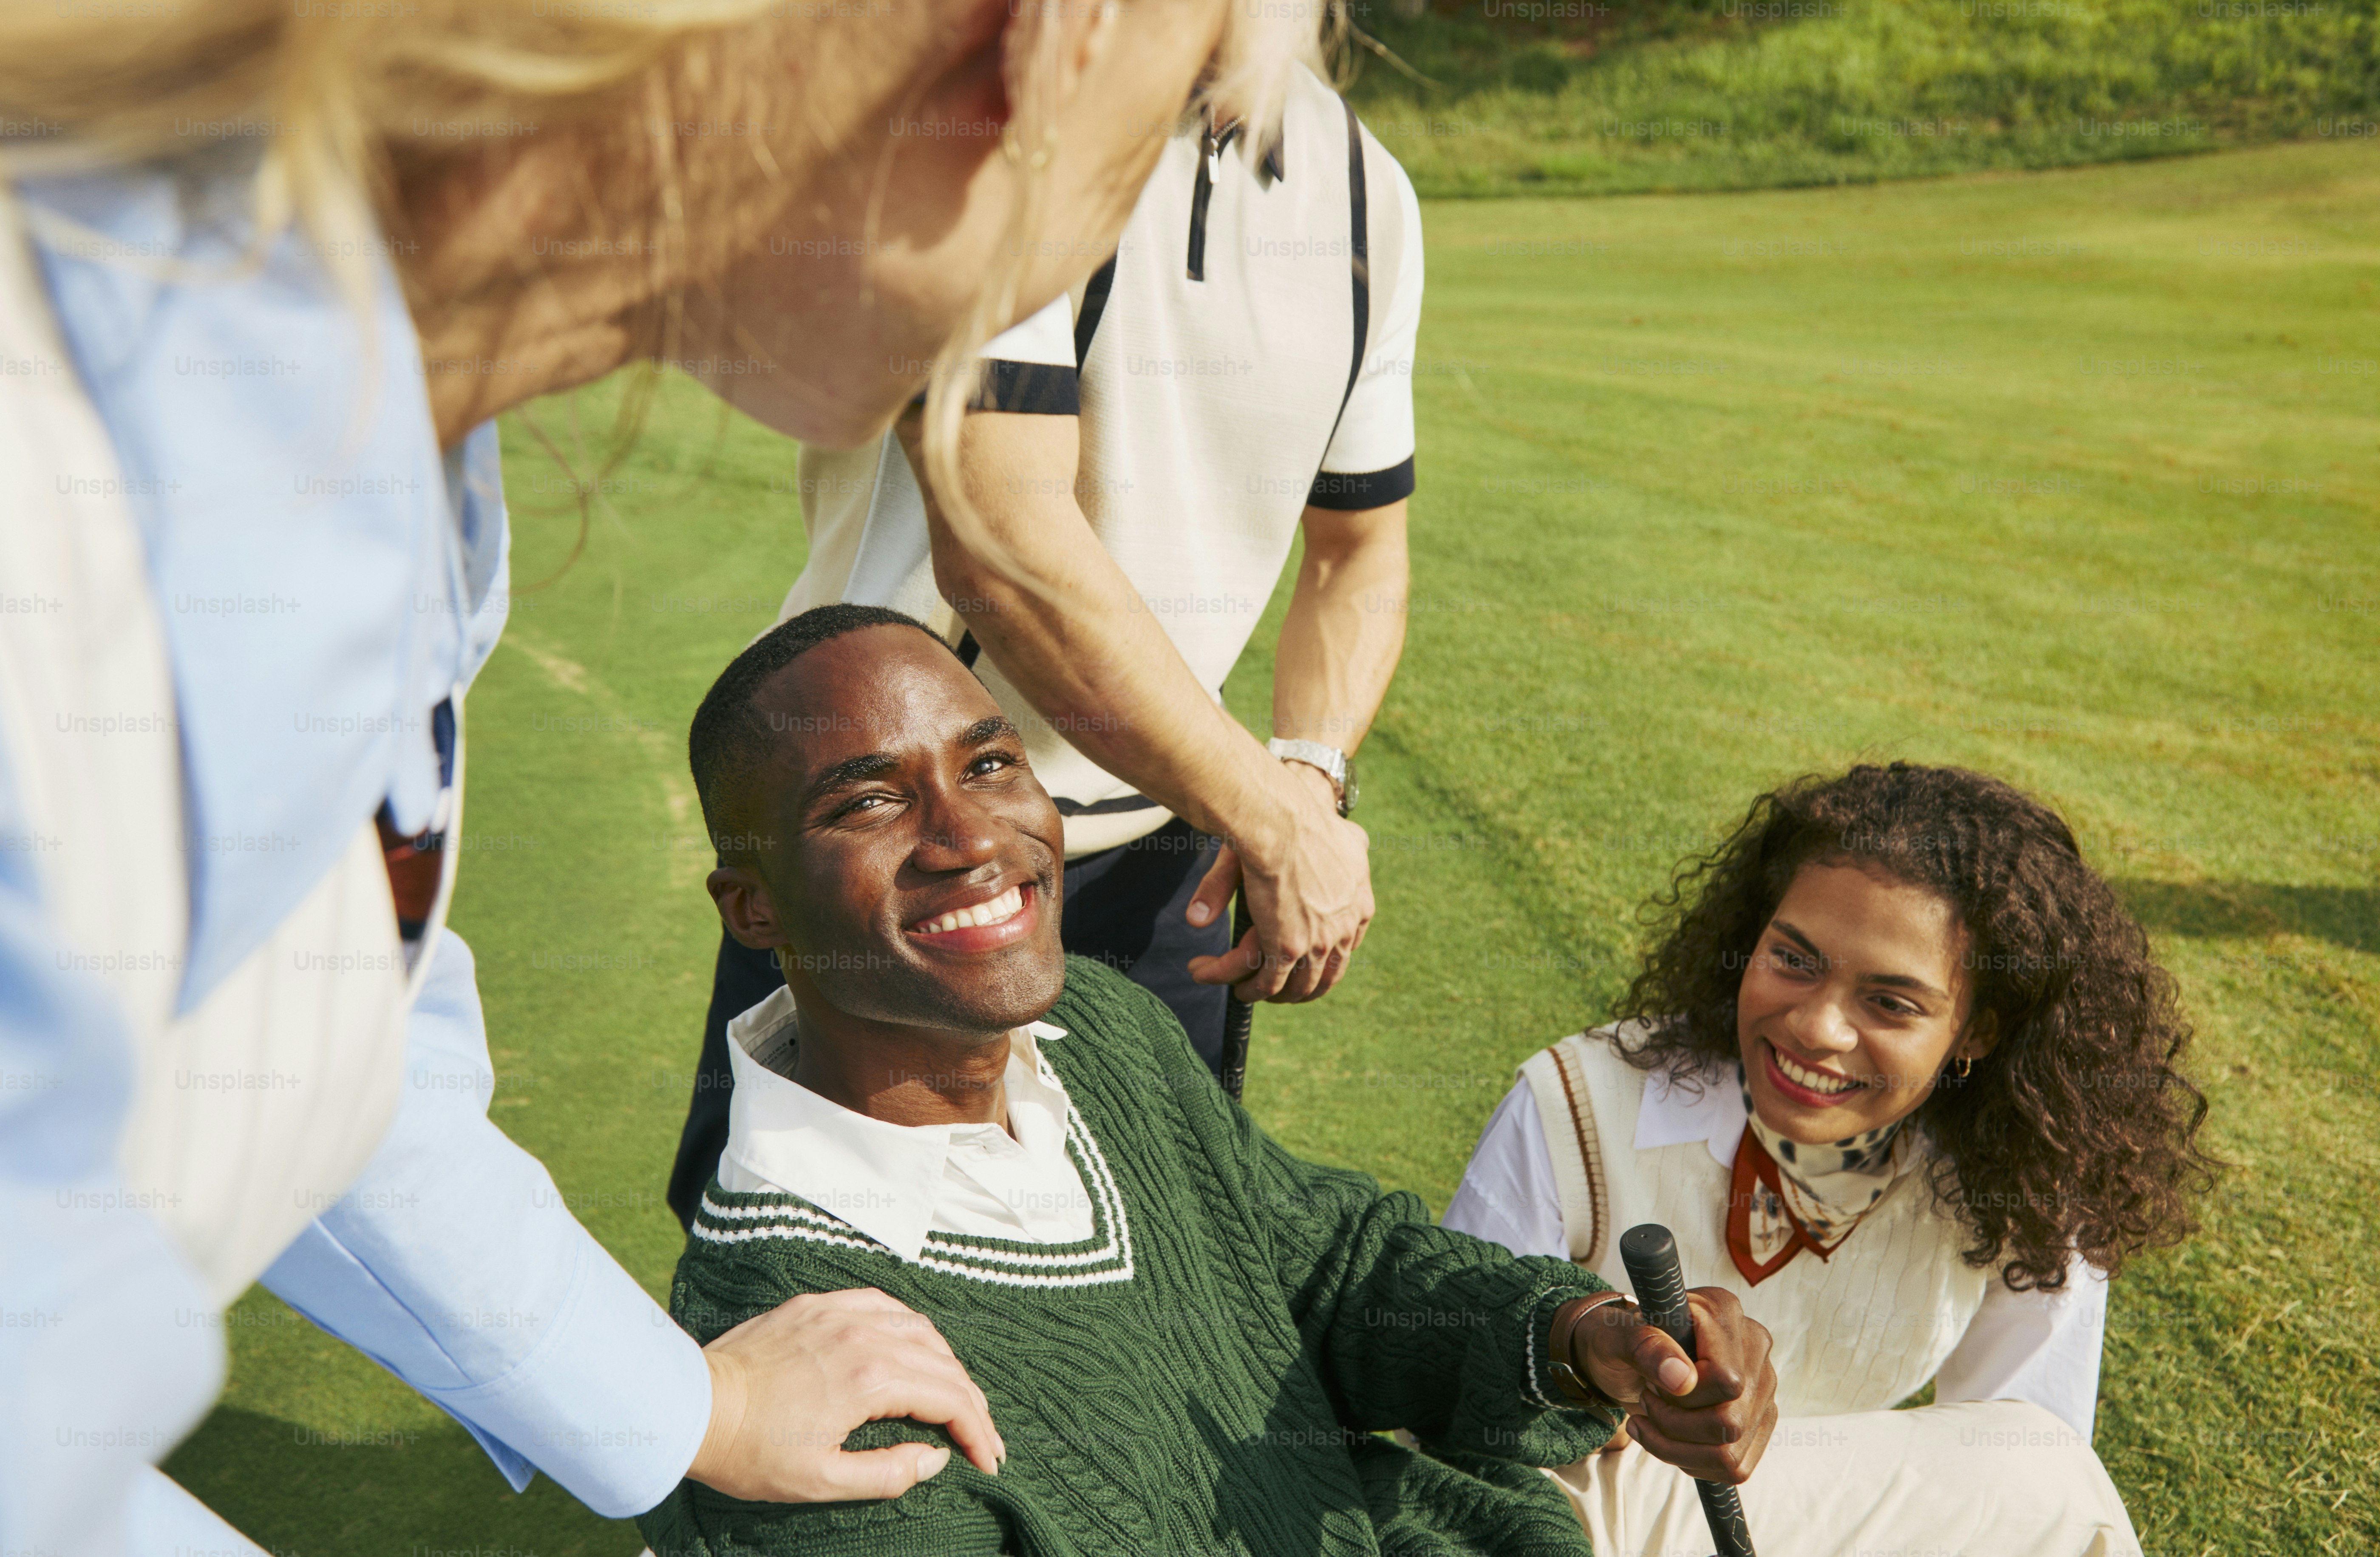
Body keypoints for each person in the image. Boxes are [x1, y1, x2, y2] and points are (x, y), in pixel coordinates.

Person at [0, 0, 1331, 1548]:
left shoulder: (376, 444)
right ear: (1060, 31)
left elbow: (318, 1032)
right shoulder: (71, 501)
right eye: (1177, 128)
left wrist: (667, 1401)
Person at [637, 602, 1781, 1556]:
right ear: (756, 905)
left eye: (990, 761)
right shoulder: (790, 1358)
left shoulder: (1097, 1024)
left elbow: (1329, 1266)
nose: (973, 834)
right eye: (868, 799)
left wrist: (1581, 1335)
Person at [669, 56, 1425, 1222]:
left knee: (1160, 1273)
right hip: (893, 832)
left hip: (1174, 852)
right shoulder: (996, 119)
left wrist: (1308, 775)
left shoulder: (1370, 193)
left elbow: (1358, 550)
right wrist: (1267, 811)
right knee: (817, 1290)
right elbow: (1002, 533)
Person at [1444, 763, 2214, 1557]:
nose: (1817, 1027)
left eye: (1890, 1002)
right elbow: (1448, 1401)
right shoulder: (1577, 1103)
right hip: (1565, 1523)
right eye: (1794, 958)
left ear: (1978, 1033)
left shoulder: (2031, 1160)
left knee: (2047, 1471)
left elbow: (2008, 1463)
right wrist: (1598, 1369)